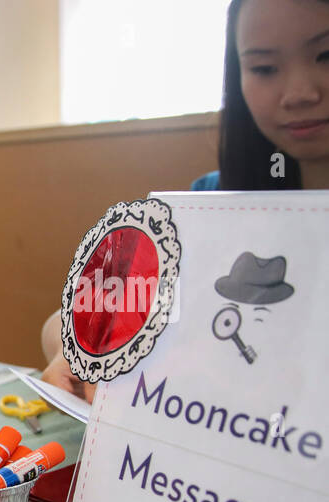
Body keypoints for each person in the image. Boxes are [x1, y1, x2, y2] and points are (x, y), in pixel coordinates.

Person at [40, 0, 329, 401]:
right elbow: (68, 322)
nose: (299, 93)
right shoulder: (207, 205)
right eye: (264, 67)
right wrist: (77, 353)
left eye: (325, 54)